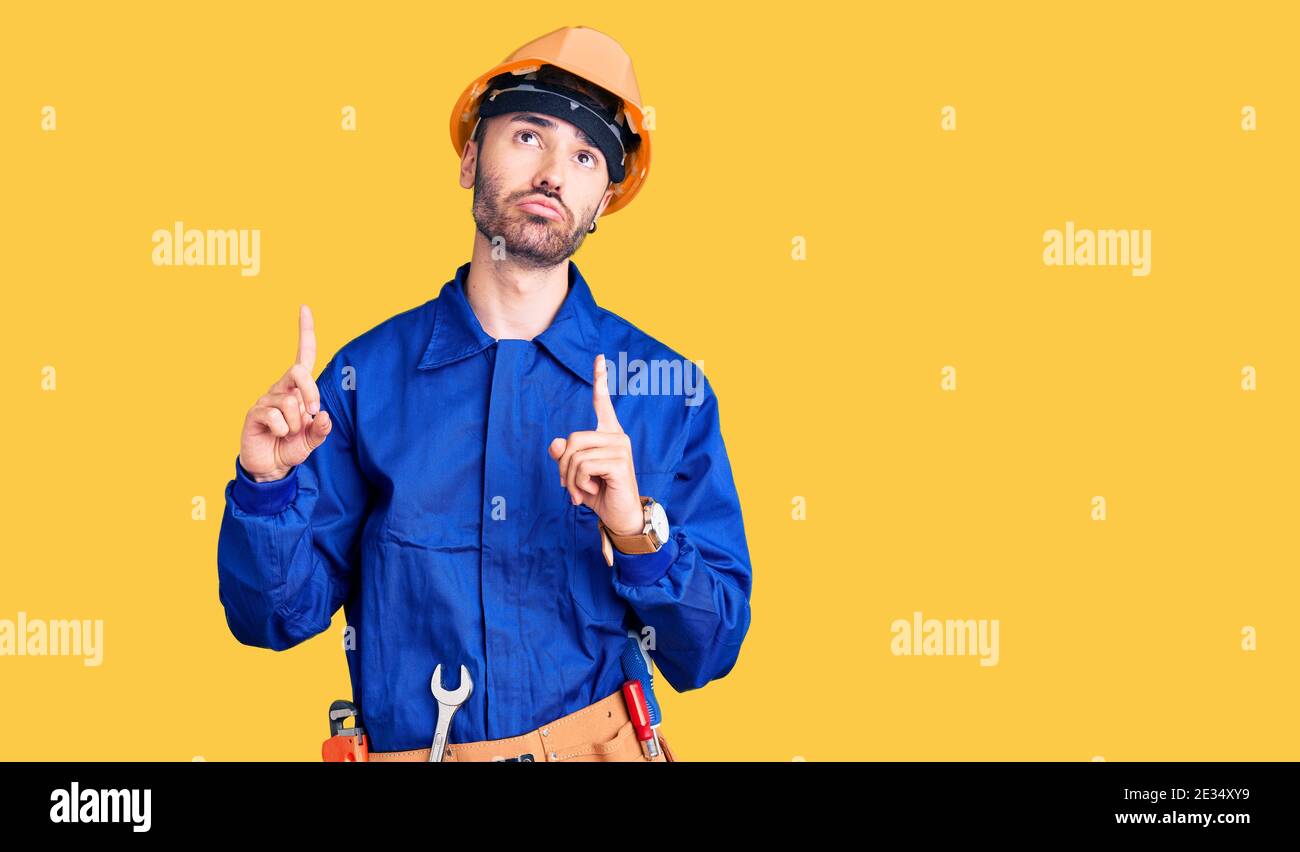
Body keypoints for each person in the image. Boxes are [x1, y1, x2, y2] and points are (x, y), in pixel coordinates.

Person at [217, 26, 752, 762]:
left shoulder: (666, 393)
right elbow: (272, 619)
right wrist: (268, 489)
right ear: (470, 158)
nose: (554, 173)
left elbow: (710, 650)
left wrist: (636, 530)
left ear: (603, 202)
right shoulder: (364, 380)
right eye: (529, 135)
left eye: (586, 156)